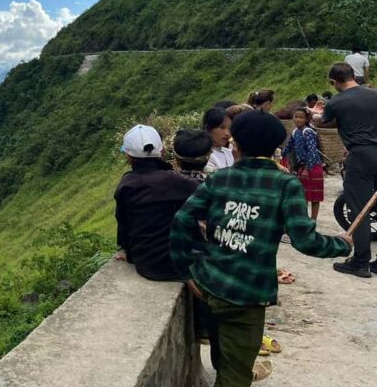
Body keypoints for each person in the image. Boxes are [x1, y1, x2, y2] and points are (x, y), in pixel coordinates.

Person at [171, 109, 353, 386]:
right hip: (247, 293)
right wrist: (340, 245)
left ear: (237, 145)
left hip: (210, 285)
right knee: (236, 375)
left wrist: (187, 270)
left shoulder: (219, 179)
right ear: (275, 149)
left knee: (223, 356)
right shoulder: (286, 185)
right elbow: (304, 240)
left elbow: (183, 219)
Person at [114, 125, 199, 281]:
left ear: (128, 156)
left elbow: (124, 226)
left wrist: (129, 253)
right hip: (180, 264)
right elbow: (205, 194)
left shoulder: (126, 185)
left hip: (145, 264)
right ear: (162, 152)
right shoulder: (174, 180)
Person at [318, 62, 377, 277]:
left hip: (360, 156)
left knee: (359, 209)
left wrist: (313, 114)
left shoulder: (336, 102)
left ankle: (361, 262)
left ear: (334, 82)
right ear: (353, 75)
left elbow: (323, 122)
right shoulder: (375, 94)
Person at [283, 107, 324, 220]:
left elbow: (312, 152)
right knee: (304, 195)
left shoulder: (308, 132)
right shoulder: (295, 132)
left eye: (301, 117)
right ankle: (305, 218)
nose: (298, 120)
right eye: (296, 117)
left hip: (313, 167)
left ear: (306, 120)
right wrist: (281, 155)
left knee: (315, 197)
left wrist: (307, 168)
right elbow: (288, 146)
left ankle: (313, 220)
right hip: (302, 167)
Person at [203, 108, 234, 174]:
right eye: (222, 127)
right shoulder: (204, 157)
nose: (227, 133)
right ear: (208, 129)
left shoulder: (229, 151)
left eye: (230, 128)